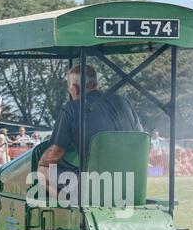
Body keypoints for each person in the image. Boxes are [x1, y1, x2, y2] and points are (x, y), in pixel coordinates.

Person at [38, 64, 143, 196]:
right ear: (96, 84)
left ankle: (66, 209)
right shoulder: (124, 102)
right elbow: (142, 139)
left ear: (74, 88)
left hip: (95, 183)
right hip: (130, 180)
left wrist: (42, 162)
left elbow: (55, 153)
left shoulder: (71, 109)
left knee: (44, 170)